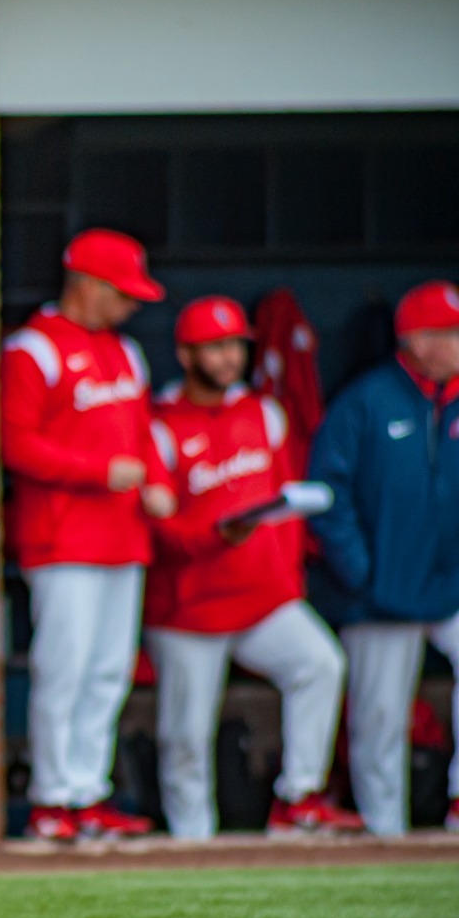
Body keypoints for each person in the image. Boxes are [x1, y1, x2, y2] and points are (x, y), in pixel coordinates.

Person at [143, 296, 355, 839]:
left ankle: (298, 798)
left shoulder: (264, 412)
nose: (229, 357)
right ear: (186, 354)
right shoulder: (160, 426)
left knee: (320, 664)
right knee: (186, 736)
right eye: (215, 347)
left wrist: (288, 582)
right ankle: (193, 844)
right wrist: (215, 537)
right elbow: (161, 533)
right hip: (189, 609)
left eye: (235, 345)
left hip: (262, 597)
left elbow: (286, 509)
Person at [2, 228, 178, 841]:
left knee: (109, 671)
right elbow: (16, 444)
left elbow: (144, 434)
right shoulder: (33, 349)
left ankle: (88, 790)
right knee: (64, 668)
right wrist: (98, 472)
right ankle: (53, 799)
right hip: (62, 539)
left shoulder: (126, 352)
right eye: (121, 293)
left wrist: (157, 482)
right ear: (88, 285)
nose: (130, 306)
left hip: (122, 536)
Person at [307, 280, 459, 835]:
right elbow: (326, 494)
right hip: (379, 590)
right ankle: (383, 831)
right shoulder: (365, 401)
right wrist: (360, 570)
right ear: (416, 340)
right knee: (379, 717)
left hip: (449, 582)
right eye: (449, 333)